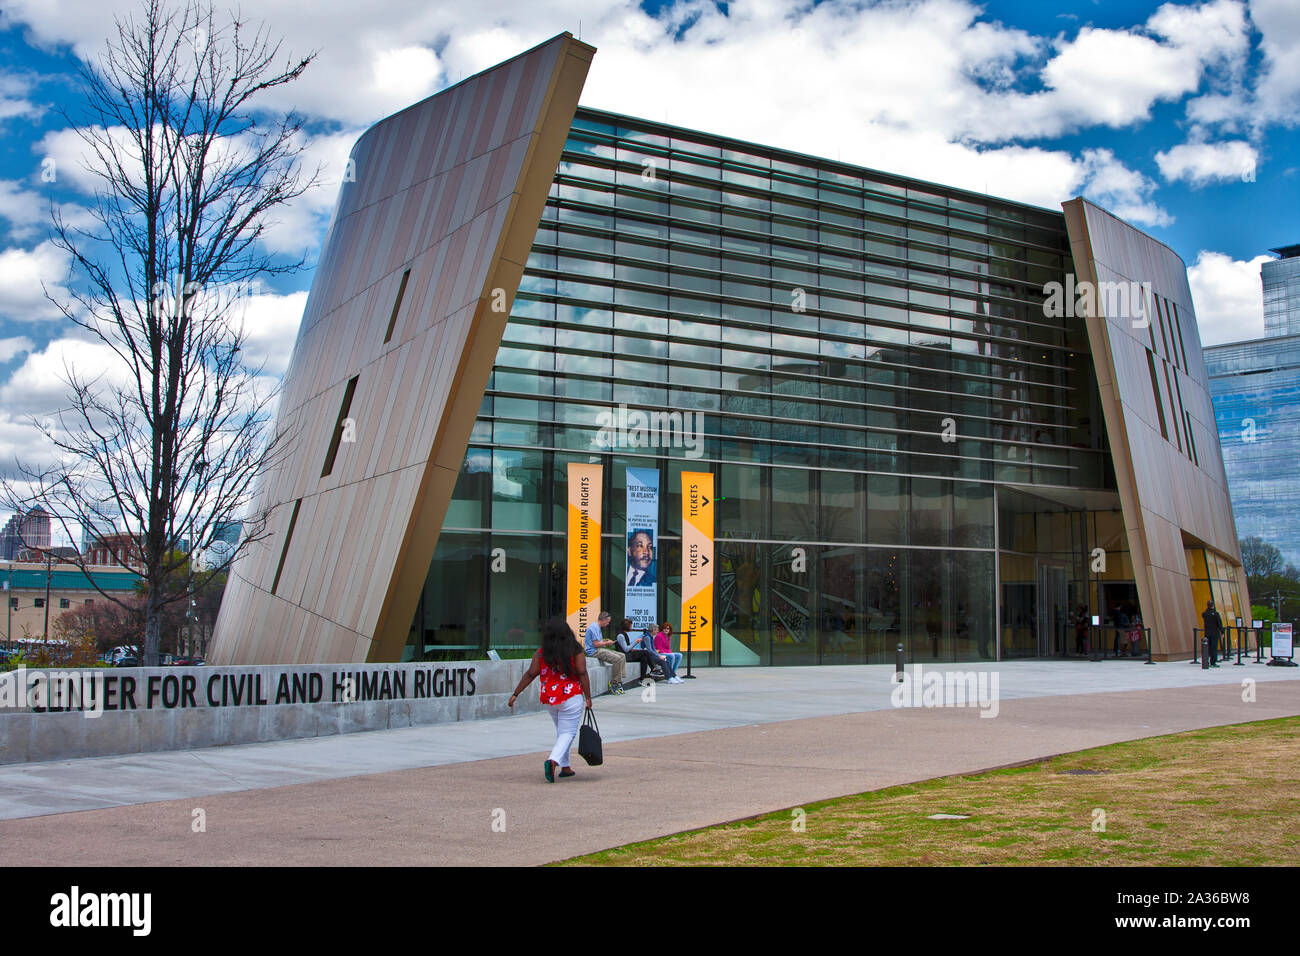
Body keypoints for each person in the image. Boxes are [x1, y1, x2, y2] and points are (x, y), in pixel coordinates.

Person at [509, 617, 593, 782]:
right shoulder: (575, 650)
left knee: (562, 732)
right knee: (567, 732)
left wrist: (515, 693)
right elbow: (582, 673)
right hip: (571, 696)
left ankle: (566, 767)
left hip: (550, 698)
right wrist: (588, 697)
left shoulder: (541, 652)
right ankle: (553, 760)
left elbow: (530, 674)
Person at [583, 610, 626, 694]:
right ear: (603, 619)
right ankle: (614, 683)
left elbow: (597, 641)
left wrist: (605, 640)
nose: (608, 624)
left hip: (598, 649)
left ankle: (619, 681)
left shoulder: (597, 627)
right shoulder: (594, 627)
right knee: (617, 659)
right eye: (608, 622)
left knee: (622, 655)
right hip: (594, 651)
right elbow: (595, 644)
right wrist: (607, 643)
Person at [614, 617, 665, 684]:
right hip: (625, 656)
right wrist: (636, 642)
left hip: (628, 654)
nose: (631, 627)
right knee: (645, 652)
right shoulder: (621, 636)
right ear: (626, 626)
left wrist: (635, 650)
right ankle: (653, 669)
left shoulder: (625, 634)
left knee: (644, 657)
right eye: (630, 625)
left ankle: (642, 678)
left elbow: (628, 648)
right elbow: (626, 650)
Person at [1203, 600, 1223, 667]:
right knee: (1214, 647)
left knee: (1207, 647)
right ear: (1213, 606)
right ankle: (1213, 662)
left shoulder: (1204, 614)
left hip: (1207, 632)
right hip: (1214, 632)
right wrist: (1222, 631)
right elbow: (1219, 623)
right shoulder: (1216, 614)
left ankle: (1206, 661)